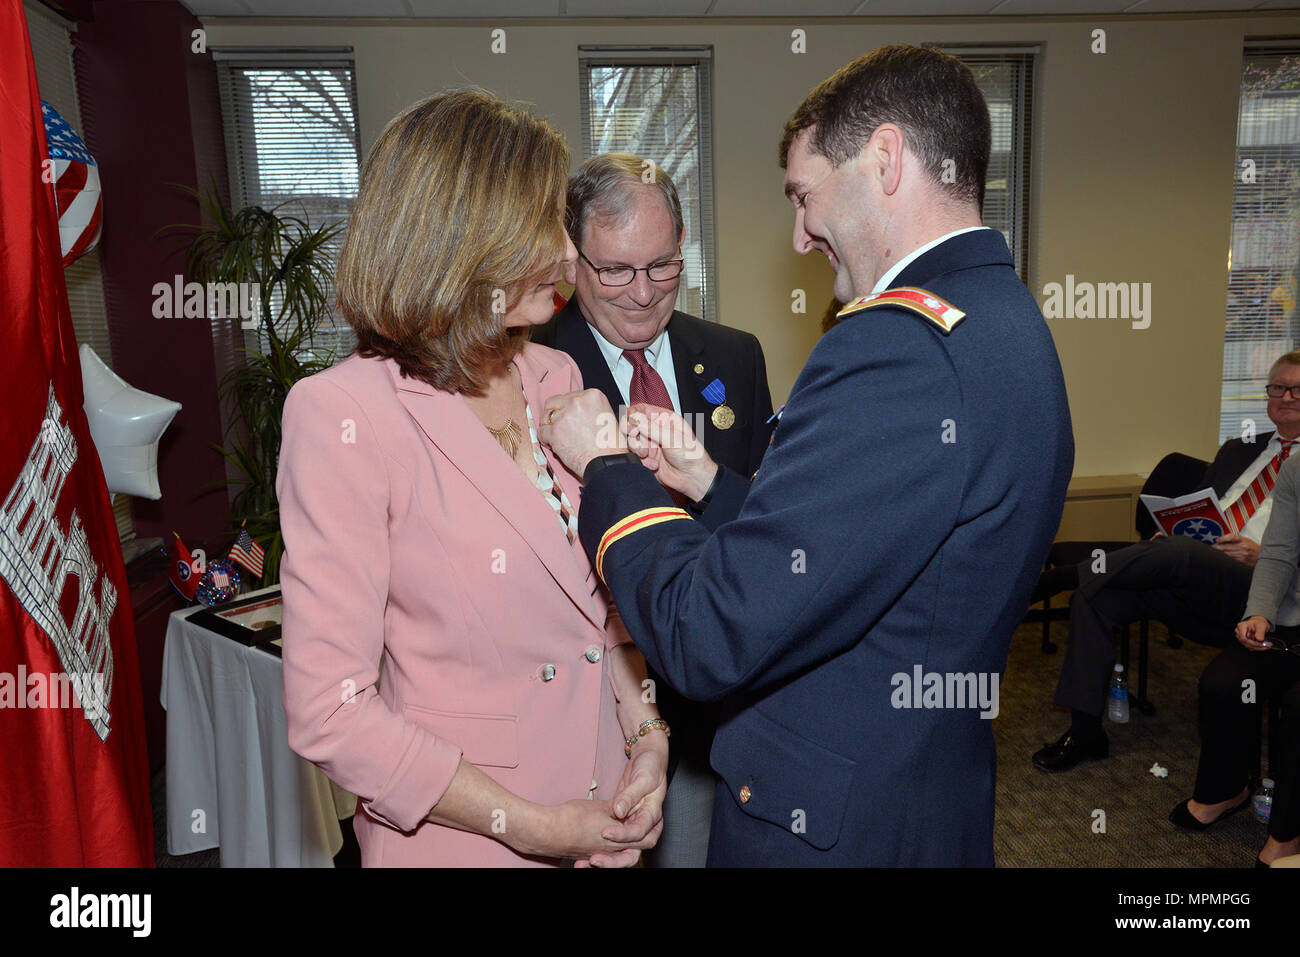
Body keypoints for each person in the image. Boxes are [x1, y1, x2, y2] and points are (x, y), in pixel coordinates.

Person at [539, 44, 1074, 866]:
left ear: (885, 159)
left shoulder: (892, 352)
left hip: (828, 823)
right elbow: (861, 549)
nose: (798, 236)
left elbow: (710, 628)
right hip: (918, 797)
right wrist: (715, 486)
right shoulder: (1004, 322)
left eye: (804, 195)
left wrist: (608, 466)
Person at [276, 89, 666, 867]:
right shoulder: (343, 414)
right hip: (466, 842)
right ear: (460, 239)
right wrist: (529, 826)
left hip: (602, 811)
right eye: (541, 225)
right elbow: (332, 712)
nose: (566, 252)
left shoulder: (552, 374)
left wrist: (647, 738)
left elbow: (603, 612)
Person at [531, 152, 774, 867]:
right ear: (572, 261)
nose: (642, 292)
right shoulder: (537, 368)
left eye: (662, 265)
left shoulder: (736, 355)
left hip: (736, 698)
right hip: (609, 706)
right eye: (615, 270)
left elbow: (761, 522)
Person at [1033, 351, 1300, 773]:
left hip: (1261, 597)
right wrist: (1172, 527)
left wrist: (1261, 555)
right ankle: (1086, 730)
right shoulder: (1238, 449)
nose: (1286, 396)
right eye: (1277, 388)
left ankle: (1059, 578)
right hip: (1194, 574)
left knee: (1178, 552)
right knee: (1096, 596)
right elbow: (1196, 508)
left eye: (1297, 389)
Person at [1171, 452, 1300, 868]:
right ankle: (1226, 789)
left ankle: (1287, 831)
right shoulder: (1297, 466)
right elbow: (1278, 552)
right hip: (1292, 617)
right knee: (1225, 683)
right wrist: (1258, 612)